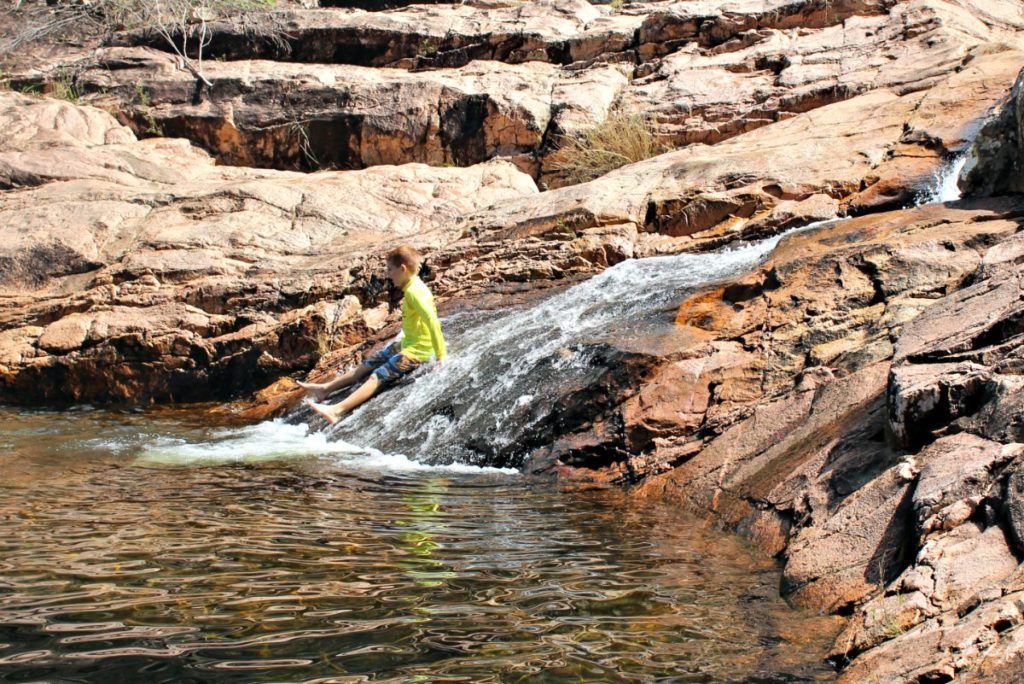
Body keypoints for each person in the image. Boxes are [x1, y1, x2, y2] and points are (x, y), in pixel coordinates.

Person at [301, 245, 447, 425]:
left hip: (418, 351)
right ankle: (325, 389)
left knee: (377, 375)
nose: (388, 274)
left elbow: (432, 320)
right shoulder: (413, 286)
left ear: (402, 269)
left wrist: (441, 356)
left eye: (390, 269)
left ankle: (336, 411)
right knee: (372, 361)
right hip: (408, 343)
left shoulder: (414, 292)